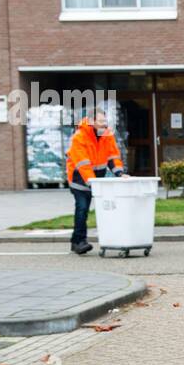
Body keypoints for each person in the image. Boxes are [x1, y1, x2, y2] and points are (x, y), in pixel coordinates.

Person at [65, 108, 124, 255]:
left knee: (98, 209)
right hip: (79, 179)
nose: (104, 124)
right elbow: (82, 163)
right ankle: (79, 242)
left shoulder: (107, 135)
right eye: (101, 121)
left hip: (96, 179)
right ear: (91, 122)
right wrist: (91, 181)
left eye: (105, 121)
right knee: (82, 208)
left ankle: (75, 241)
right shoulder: (80, 137)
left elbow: (113, 156)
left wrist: (119, 173)